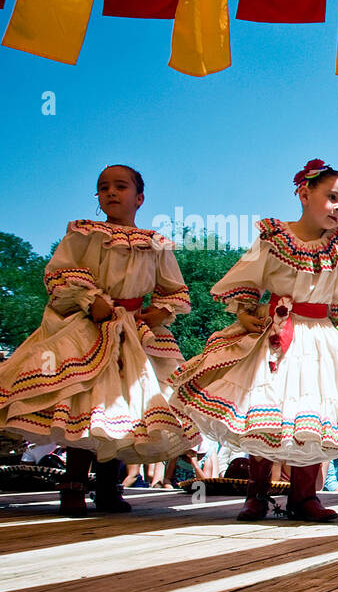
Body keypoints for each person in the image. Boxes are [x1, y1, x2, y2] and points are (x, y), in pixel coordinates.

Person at [170, 159, 338, 522]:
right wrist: (246, 312)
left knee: (314, 413)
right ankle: (257, 492)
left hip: (320, 337)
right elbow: (248, 278)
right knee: (267, 408)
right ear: (304, 193)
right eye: (332, 198)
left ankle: (304, 495)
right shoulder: (274, 237)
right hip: (278, 333)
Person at [0, 164, 198, 515]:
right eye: (103, 187)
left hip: (135, 334)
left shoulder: (156, 243)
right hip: (91, 327)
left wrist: (160, 311)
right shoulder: (83, 233)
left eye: (120, 186)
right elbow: (60, 272)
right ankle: (73, 484)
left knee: (125, 409)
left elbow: (175, 290)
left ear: (139, 198)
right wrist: (90, 299)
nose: (110, 192)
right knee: (86, 403)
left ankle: (107, 487)